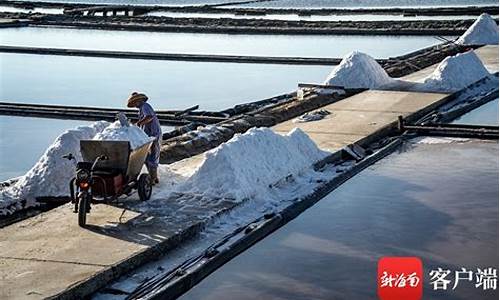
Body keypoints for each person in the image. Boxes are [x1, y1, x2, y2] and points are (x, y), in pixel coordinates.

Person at [127, 92, 162, 184]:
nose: (134, 105)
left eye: (135, 102)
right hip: (148, 136)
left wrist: (139, 123)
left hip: (153, 135)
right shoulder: (141, 109)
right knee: (147, 157)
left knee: (152, 157)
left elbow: (149, 117)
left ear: (139, 100)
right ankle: (154, 177)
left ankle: (153, 179)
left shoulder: (145, 106)